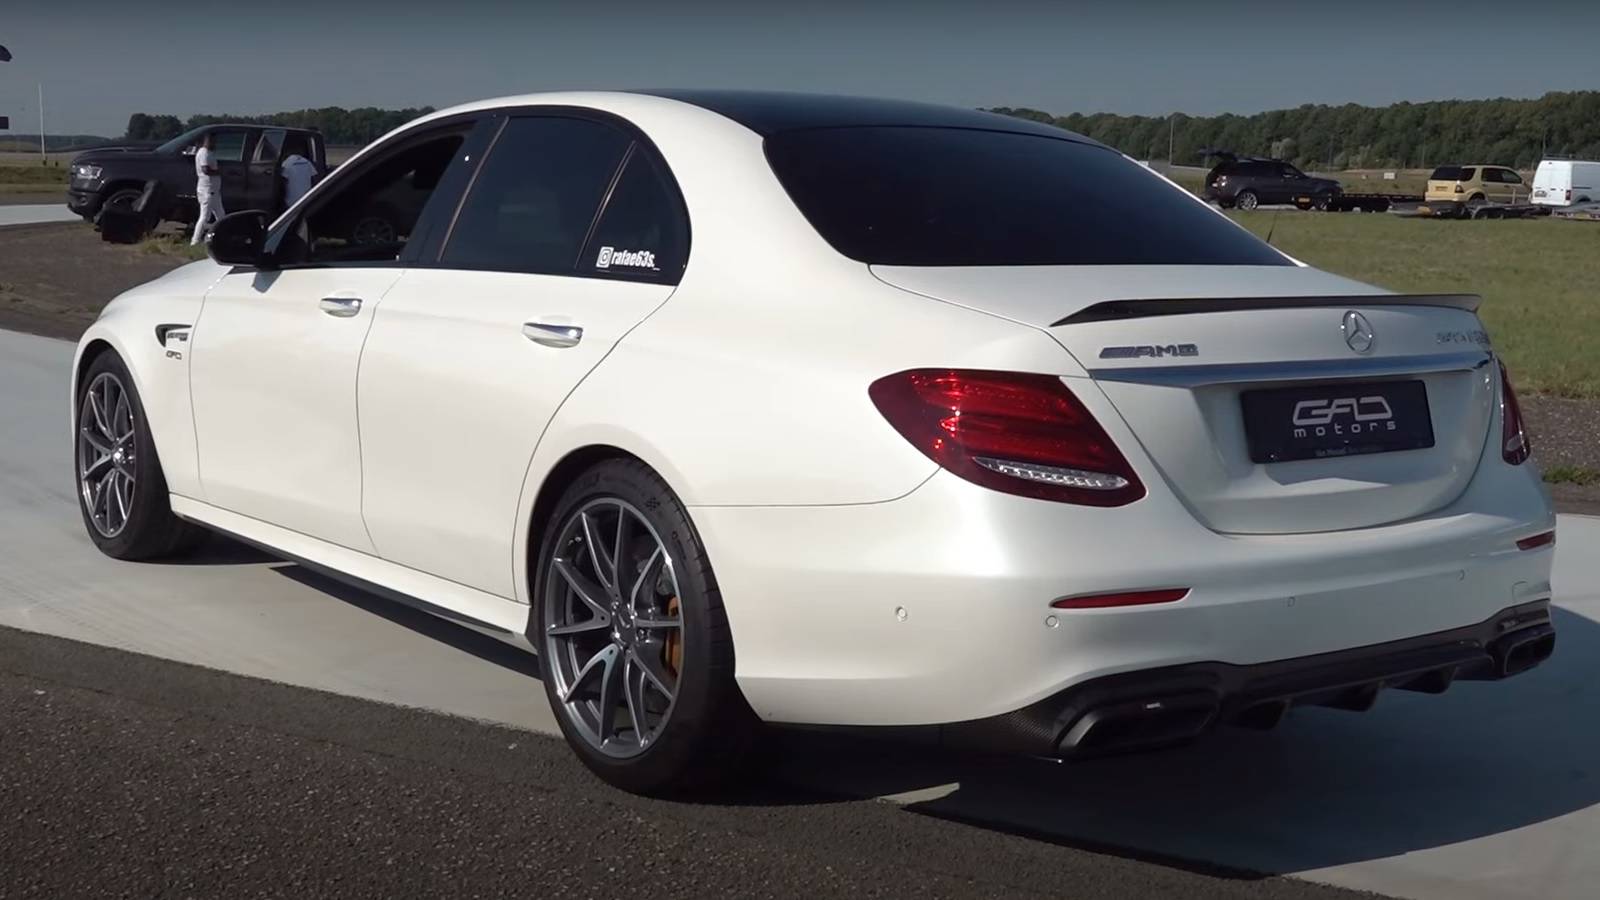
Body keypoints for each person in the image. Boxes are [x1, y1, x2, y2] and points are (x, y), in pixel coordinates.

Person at [189, 132, 225, 245]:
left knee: (221, 216)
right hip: (208, 191)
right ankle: (195, 241)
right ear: (207, 141)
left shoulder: (209, 152)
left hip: (214, 191)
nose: (215, 143)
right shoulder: (204, 153)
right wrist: (220, 172)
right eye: (213, 141)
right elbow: (206, 170)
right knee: (204, 217)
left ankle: (222, 238)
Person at [279, 138, 317, 211]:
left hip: (291, 201)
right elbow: (314, 179)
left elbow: (283, 183)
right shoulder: (307, 162)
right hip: (305, 199)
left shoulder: (286, 163)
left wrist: (282, 199)